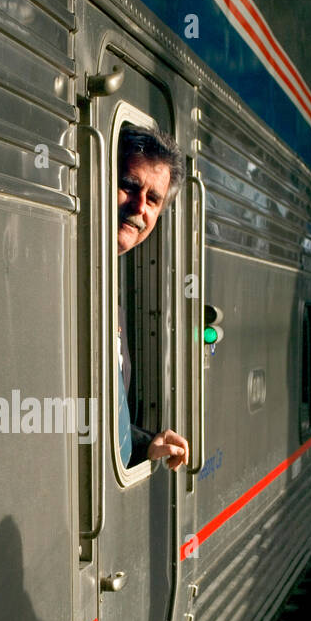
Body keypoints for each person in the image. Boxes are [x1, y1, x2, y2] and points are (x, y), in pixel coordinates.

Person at [116, 124, 190, 470]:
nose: (139, 207)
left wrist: (145, 445)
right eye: (129, 186)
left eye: (154, 199)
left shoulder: (109, 286)